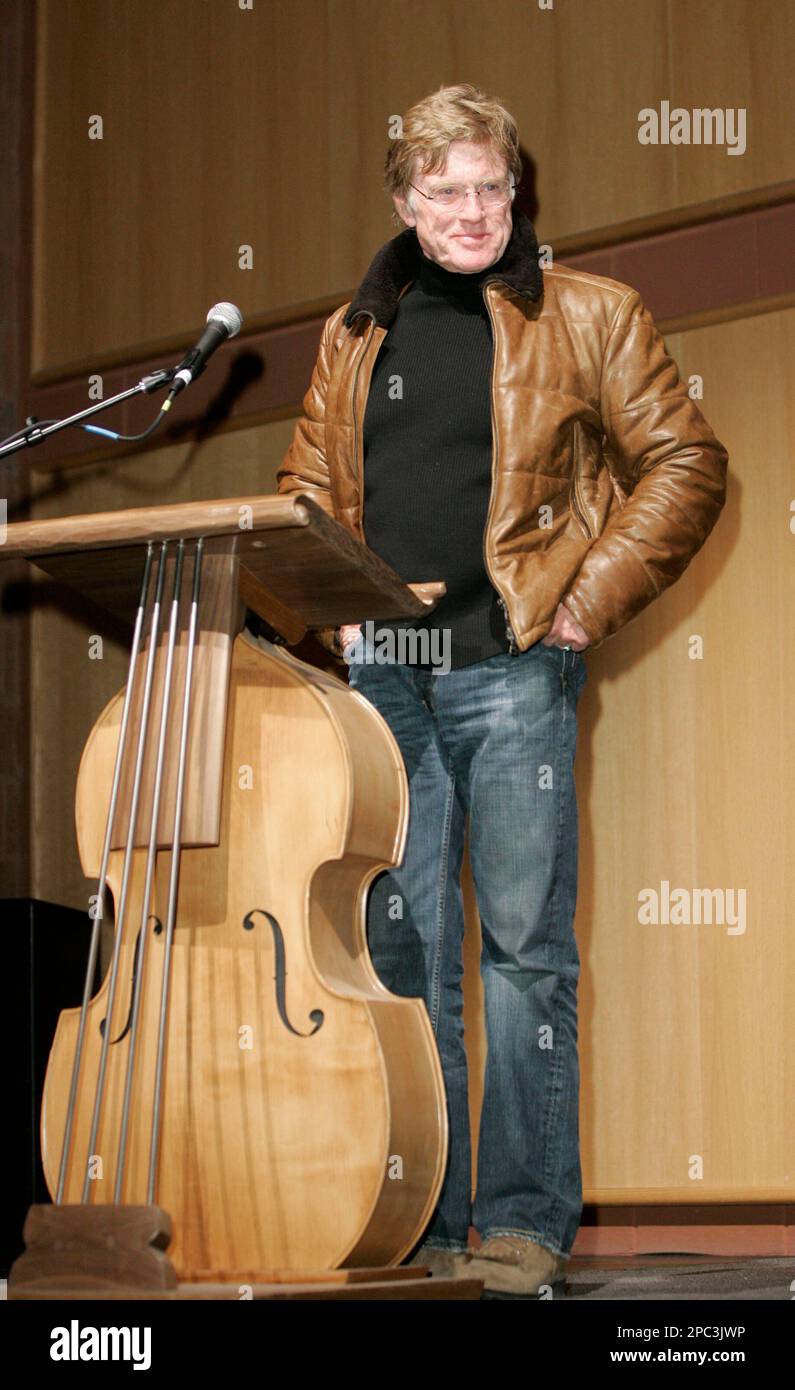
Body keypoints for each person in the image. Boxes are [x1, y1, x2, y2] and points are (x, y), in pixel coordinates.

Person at [276, 83, 728, 1298]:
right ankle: (430, 1224)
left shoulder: (589, 313)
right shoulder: (351, 335)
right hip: (388, 681)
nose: (473, 210)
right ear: (402, 201)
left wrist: (581, 603)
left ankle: (524, 1224)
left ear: (515, 192)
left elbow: (686, 462)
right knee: (404, 955)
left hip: (515, 669)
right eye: (445, 190)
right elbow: (304, 490)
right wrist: (324, 619)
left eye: (492, 187)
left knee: (525, 953)